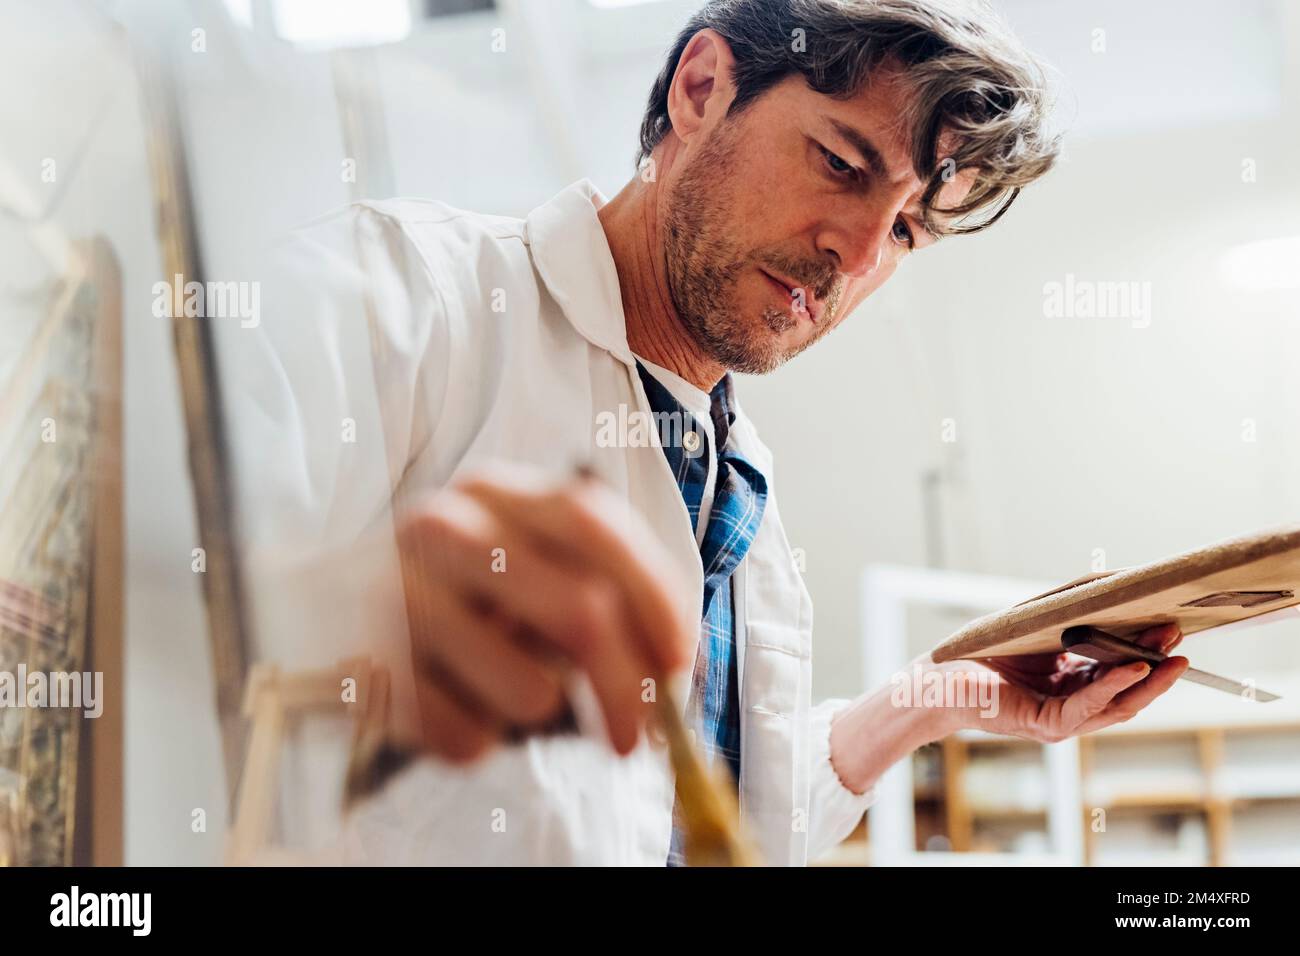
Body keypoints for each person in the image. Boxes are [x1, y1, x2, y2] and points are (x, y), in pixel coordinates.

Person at [241, 0, 1189, 865]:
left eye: (906, 230)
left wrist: (931, 695)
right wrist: (366, 610)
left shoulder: (740, 490)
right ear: (701, 90)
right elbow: (136, 603)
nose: (856, 255)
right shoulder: (403, 296)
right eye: (842, 164)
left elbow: (710, 822)